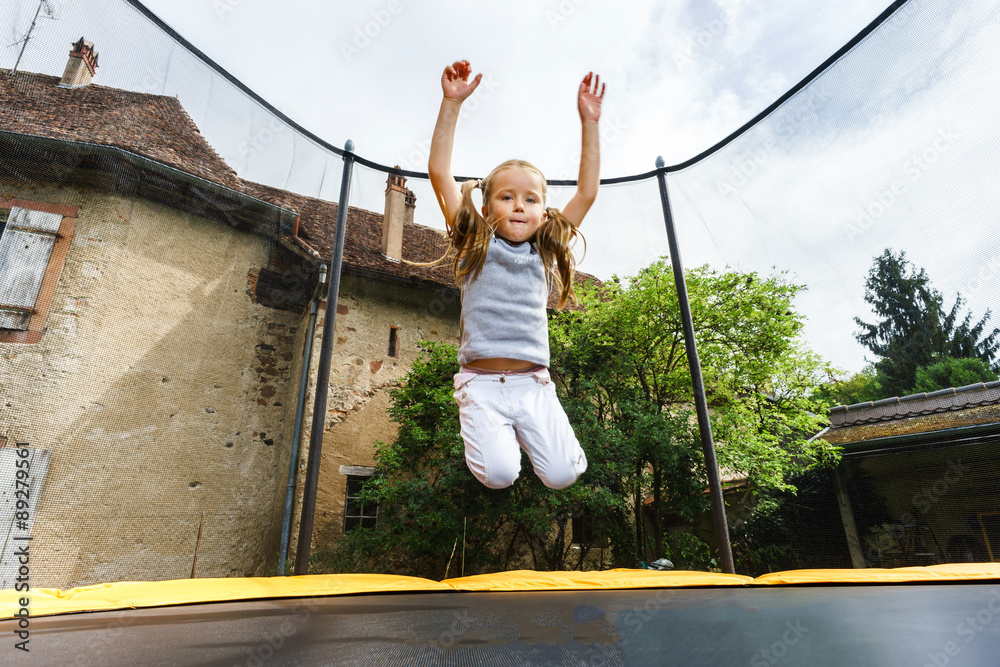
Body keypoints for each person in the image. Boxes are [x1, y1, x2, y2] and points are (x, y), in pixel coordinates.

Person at [427, 60, 604, 489]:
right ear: (487, 209)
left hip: (533, 386)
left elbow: (587, 192)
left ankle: (547, 441)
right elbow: (439, 173)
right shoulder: (475, 245)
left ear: (544, 213)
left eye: (530, 199)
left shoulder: (545, 253)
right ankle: (493, 436)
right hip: (481, 386)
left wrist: (590, 122)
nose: (519, 205)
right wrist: (451, 102)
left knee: (563, 476)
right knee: (501, 476)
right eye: (507, 197)